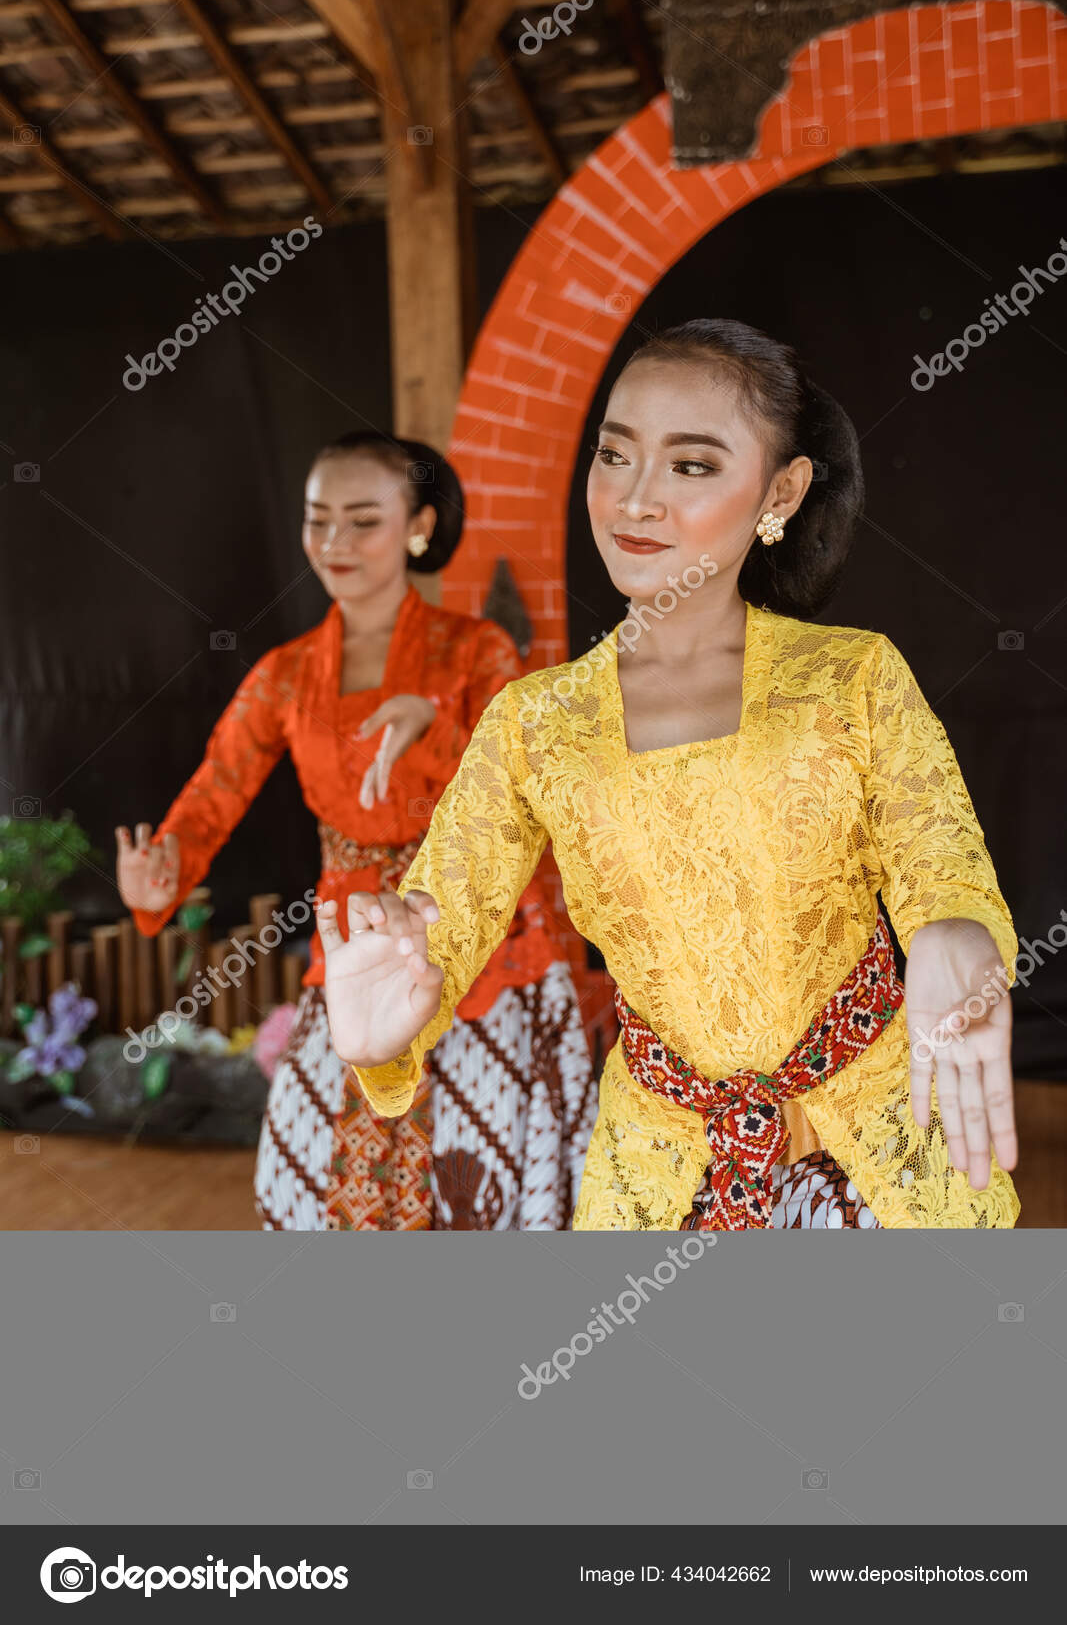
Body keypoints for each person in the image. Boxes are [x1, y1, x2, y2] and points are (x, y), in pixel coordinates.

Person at [313, 320, 1021, 1231]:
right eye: (615, 456)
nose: (634, 500)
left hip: (892, 1140)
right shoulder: (536, 722)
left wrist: (954, 934)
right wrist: (388, 1028)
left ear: (781, 492)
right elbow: (438, 924)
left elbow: (939, 859)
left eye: (691, 466)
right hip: (654, 1175)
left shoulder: (852, 676)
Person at [115, 431, 596, 1231]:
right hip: (351, 950)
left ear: (418, 526)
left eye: (362, 520)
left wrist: (436, 720)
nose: (334, 543)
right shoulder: (285, 672)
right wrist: (165, 866)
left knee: (481, 1189)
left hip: (477, 950)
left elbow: (533, 782)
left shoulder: (477, 650)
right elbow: (215, 790)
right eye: (318, 520)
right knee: (304, 1177)